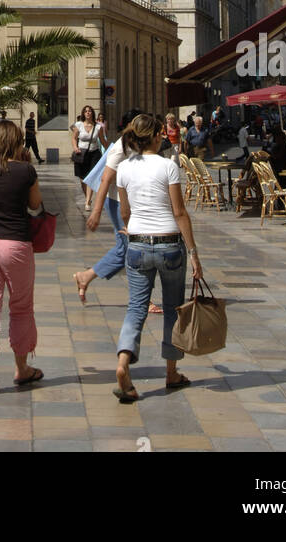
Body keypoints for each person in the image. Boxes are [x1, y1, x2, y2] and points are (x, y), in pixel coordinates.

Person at [113, 113, 203, 402]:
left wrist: (131, 229)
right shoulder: (168, 166)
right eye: (161, 133)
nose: (164, 136)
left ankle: (123, 363)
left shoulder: (124, 168)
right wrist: (194, 252)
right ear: (153, 137)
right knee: (173, 309)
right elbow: (179, 212)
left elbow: (124, 213)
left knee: (136, 308)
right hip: (169, 245)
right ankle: (171, 372)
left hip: (138, 243)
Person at [0, 121, 44, 396]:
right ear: (15, 141)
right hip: (15, 245)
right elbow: (35, 204)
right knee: (21, 306)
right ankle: (22, 369)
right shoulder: (25, 171)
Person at [72, 108, 160, 315]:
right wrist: (95, 211)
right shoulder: (121, 147)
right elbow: (105, 179)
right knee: (136, 250)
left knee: (125, 249)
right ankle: (142, 300)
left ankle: (86, 277)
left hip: (134, 204)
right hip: (119, 203)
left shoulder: (141, 146)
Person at [71, 104, 105, 211]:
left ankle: (87, 202)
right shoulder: (78, 125)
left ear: (92, 113)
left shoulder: (98, 127)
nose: (88, 113)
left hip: (94, 154)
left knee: (90, 177)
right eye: (86, 111)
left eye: (89, 111)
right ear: (83, 113)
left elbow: (102, 141)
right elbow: (74, 138)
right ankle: (88, 198)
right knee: (82, 179)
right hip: (81, 153)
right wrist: (75, 147)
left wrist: (111, 149)